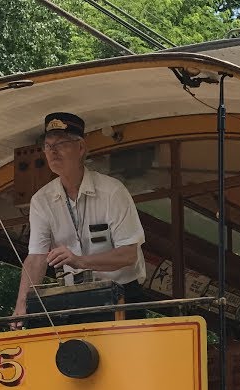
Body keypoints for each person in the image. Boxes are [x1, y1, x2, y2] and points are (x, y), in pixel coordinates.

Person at [13, 112, 146, 323]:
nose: (53, 152)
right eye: (48, 146)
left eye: (61, 144)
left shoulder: (112, 192)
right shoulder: (41, 200)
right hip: (74, 299)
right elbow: (36, 257)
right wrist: (21, 306)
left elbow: (129, 254)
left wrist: (80, 261)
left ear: (81, 148)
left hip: (122, 298)